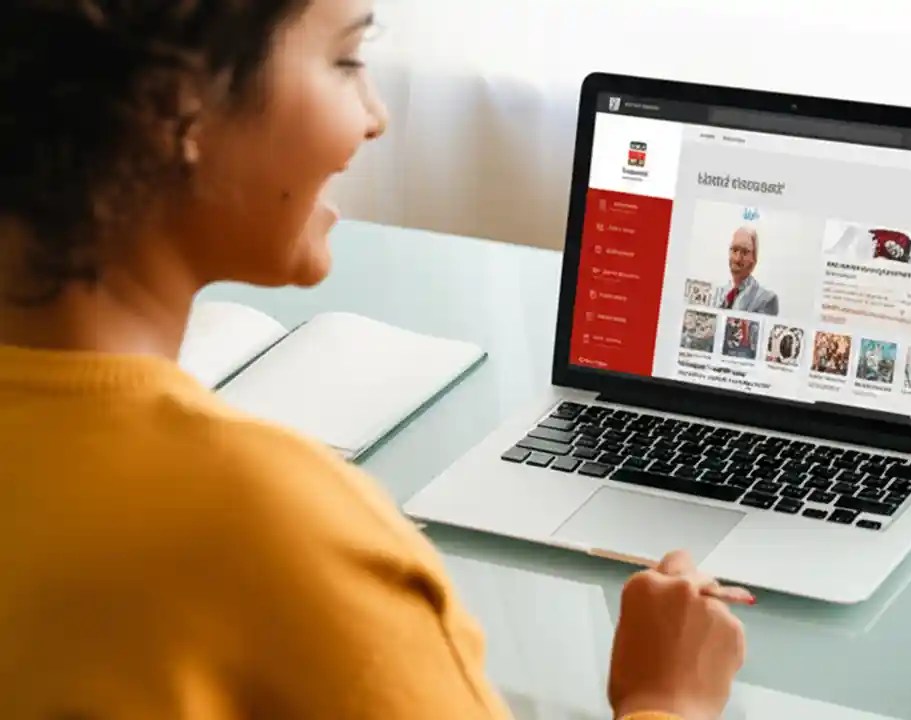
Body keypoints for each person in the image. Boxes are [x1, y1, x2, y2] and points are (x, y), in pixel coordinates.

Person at [0, 2, 748, 719]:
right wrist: (666, 698)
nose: (375, 115)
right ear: (177, 108)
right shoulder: (280, 526)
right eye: (346, 59)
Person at [713, 226, 779, 316]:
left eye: (744, 252)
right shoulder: (716, 293)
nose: (737, 259)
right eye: (735, 250)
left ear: (754, 259)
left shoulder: (767, 299)